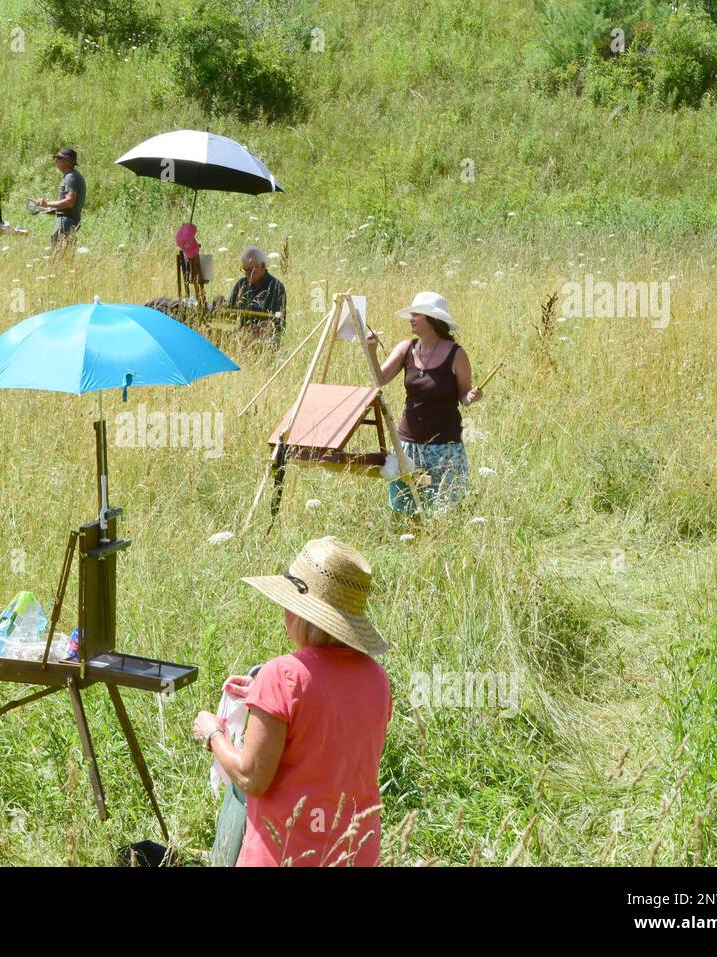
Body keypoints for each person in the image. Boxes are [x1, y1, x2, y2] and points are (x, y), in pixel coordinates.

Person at [192, 537, 393, 867]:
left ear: (301, 612)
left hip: (285, 853)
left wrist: (213, 734)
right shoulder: (377, 678)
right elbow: (331, 726)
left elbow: (251, 778)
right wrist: (264, 696)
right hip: (354, 851)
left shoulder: (283, 675)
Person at [368, 291, 483, 512]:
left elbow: (464, 395)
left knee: (444, 507)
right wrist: (371, 350)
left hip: (445, 446)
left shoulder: (456, 354)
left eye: (416, 314)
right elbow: (379, 379)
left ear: (432, 320)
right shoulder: (406, 348)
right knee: (406, 505)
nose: (411, 318)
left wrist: (471, 397)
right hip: (408, 443)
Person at [215, 245, 286, 342]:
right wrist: (220, 303)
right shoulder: (242, 284)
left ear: (263, 266)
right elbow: (230, 312)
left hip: (265, 339)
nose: (248, 274)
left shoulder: (276, 287)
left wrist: (261, 328)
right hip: (242, 335)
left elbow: (276, 322)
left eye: (251, 270)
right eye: (245, 270)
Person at [32, 147, 85, 246]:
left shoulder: (70, 177)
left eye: (58, 159)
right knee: (65, 253)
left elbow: (69, 202)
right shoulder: (73, 176)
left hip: (66, 221)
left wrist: (47, 203)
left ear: (67, 162)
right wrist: (54, 208)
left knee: (57, 253)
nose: (55, 161)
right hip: (70, 220)